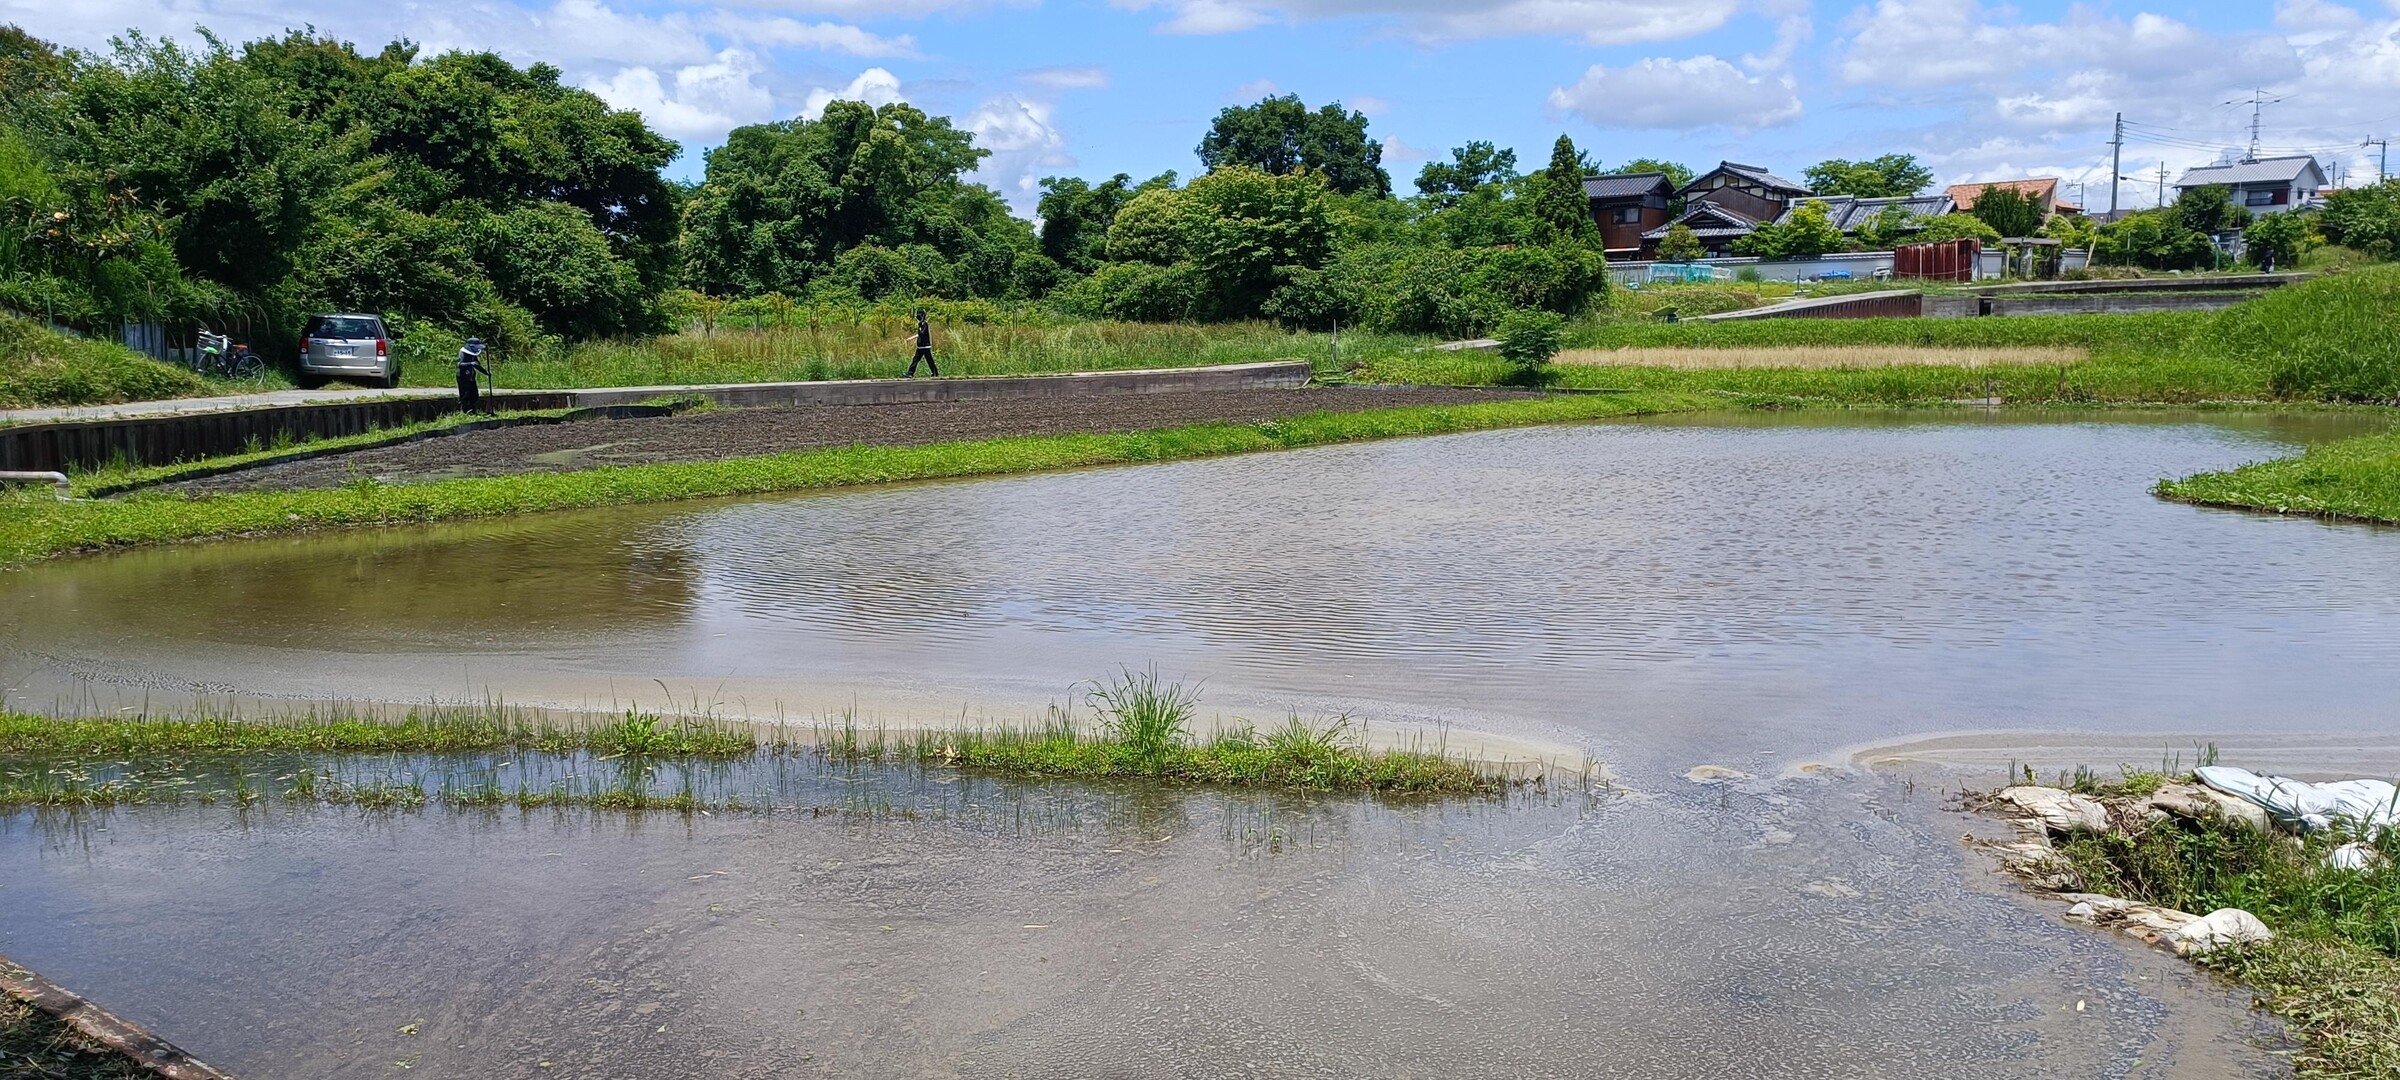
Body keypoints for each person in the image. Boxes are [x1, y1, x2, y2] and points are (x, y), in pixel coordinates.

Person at [456, 338, 491, 413]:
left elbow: (477, 365)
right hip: (463, 377)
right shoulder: (463, 352)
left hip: (471, 377)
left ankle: (473, 410)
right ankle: (466, 411)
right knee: (465, 395)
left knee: (474, 395)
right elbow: (460, 364)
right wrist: (470, 364)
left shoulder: (473, 354)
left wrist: (486, 373)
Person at [905, 307, 939, 378]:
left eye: (920, 315)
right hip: (920, 346)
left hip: (925, 346)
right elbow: (919, 334)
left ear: (923, 315)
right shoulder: (920, 324)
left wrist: (912, 337)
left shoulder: (925, 324)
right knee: (915, 360)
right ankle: (910, 373)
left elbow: (922, 334)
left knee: (929, 360)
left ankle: (935, 373)